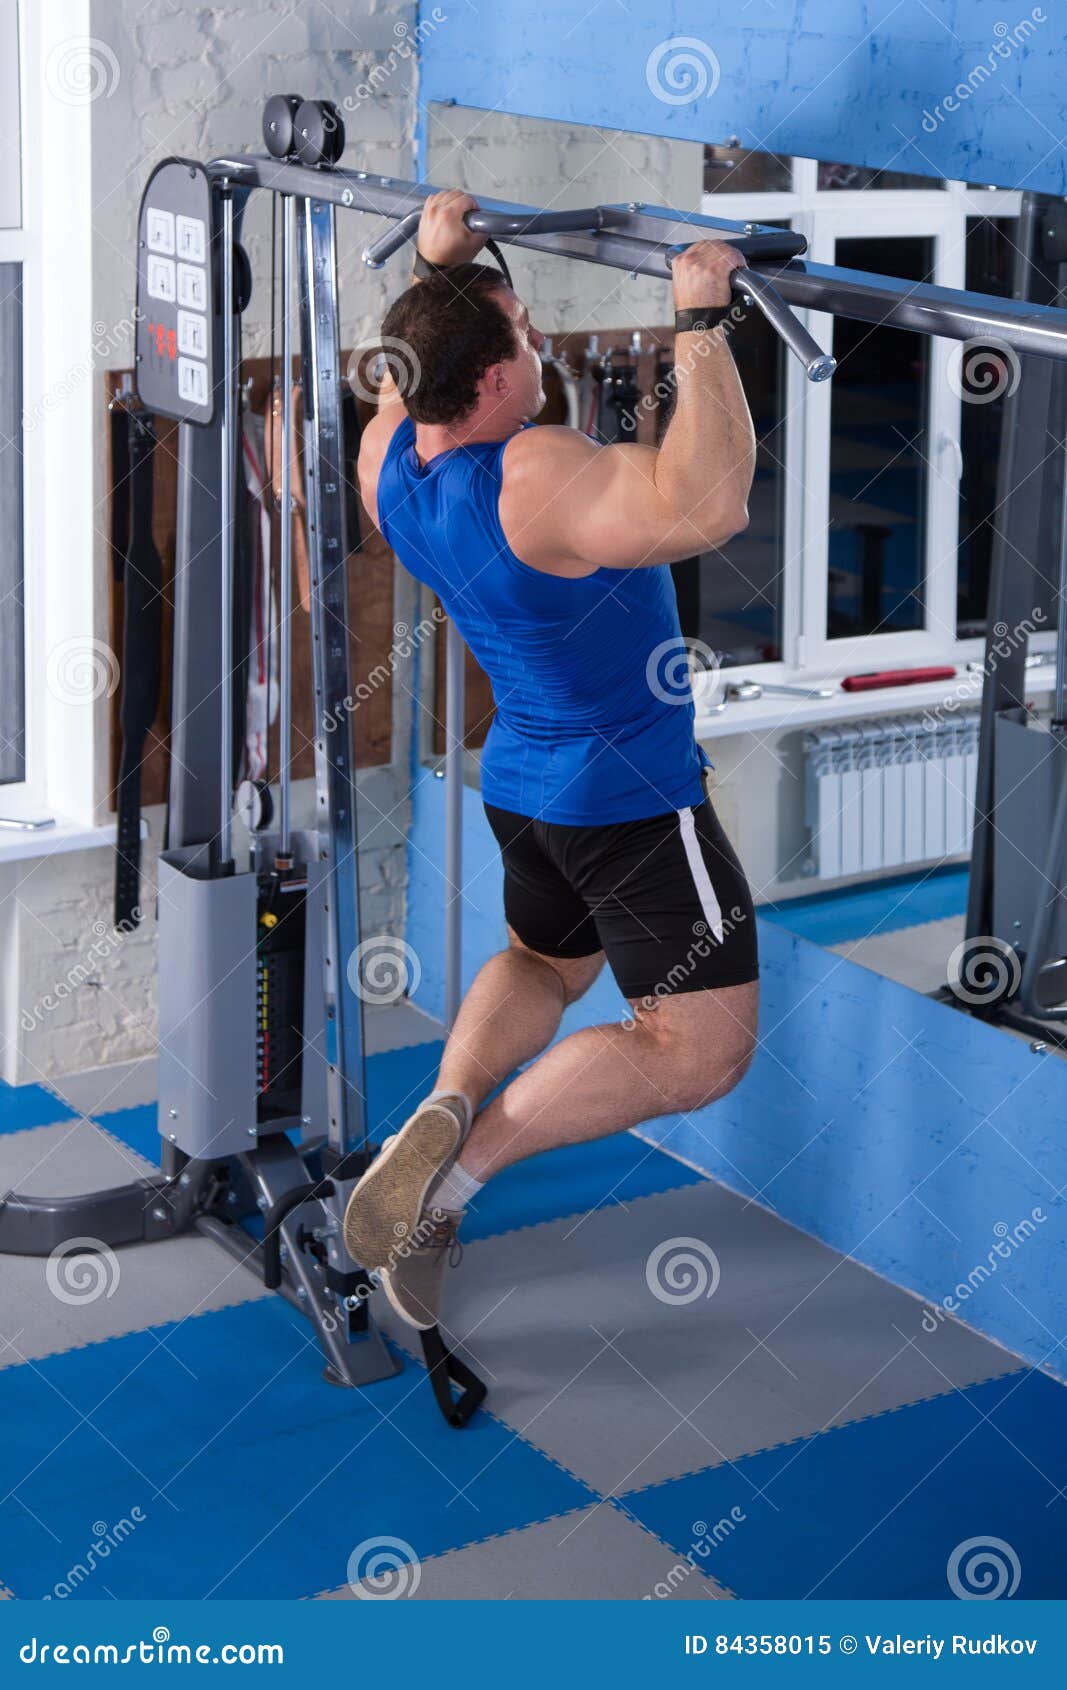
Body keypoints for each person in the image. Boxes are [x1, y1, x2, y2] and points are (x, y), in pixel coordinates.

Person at [343, 190, 760, 1331]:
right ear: (487, 383)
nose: (535, 348)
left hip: (524, 790)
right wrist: (702, 320)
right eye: (522, 338)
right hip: (628, 801)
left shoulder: (391, 461)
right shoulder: (535, 477)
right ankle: (452, 1187)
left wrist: (437, 269)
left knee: (541, 957)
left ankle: (440, 1104)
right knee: (695, 1051)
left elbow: (402, 372)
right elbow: (709, 499)